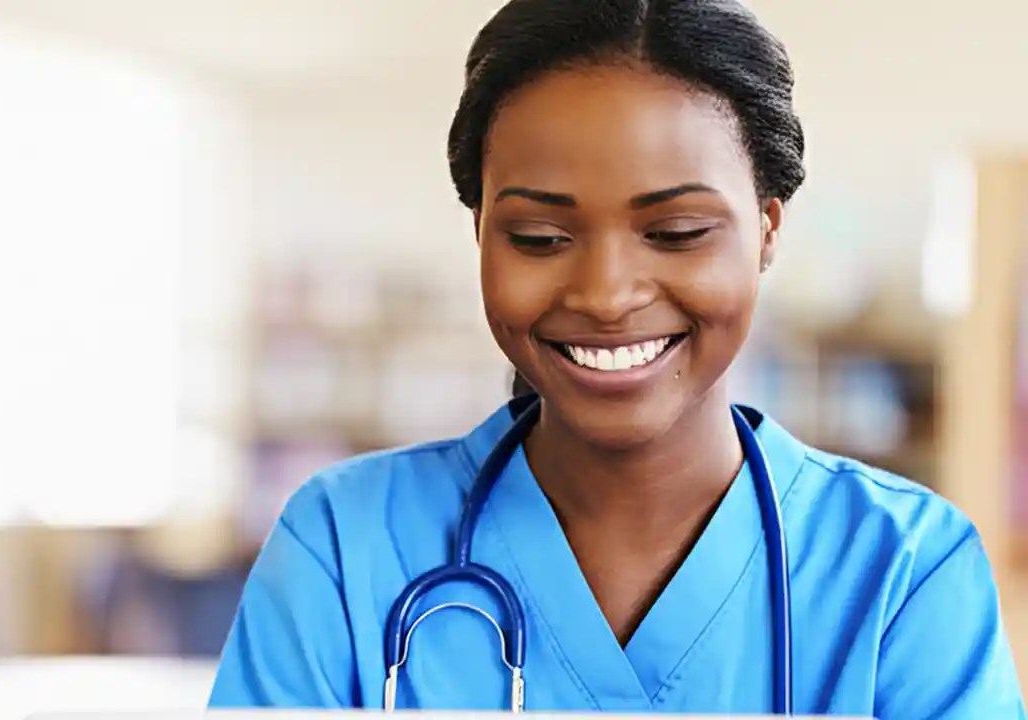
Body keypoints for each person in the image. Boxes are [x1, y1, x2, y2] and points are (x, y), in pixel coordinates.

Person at [209, 0, 1025, 716]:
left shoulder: (902, 571)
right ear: (482, 234)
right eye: (540, 238)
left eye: (675, 233)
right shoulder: (345, 548)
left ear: (768, 231)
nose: (604, 294)